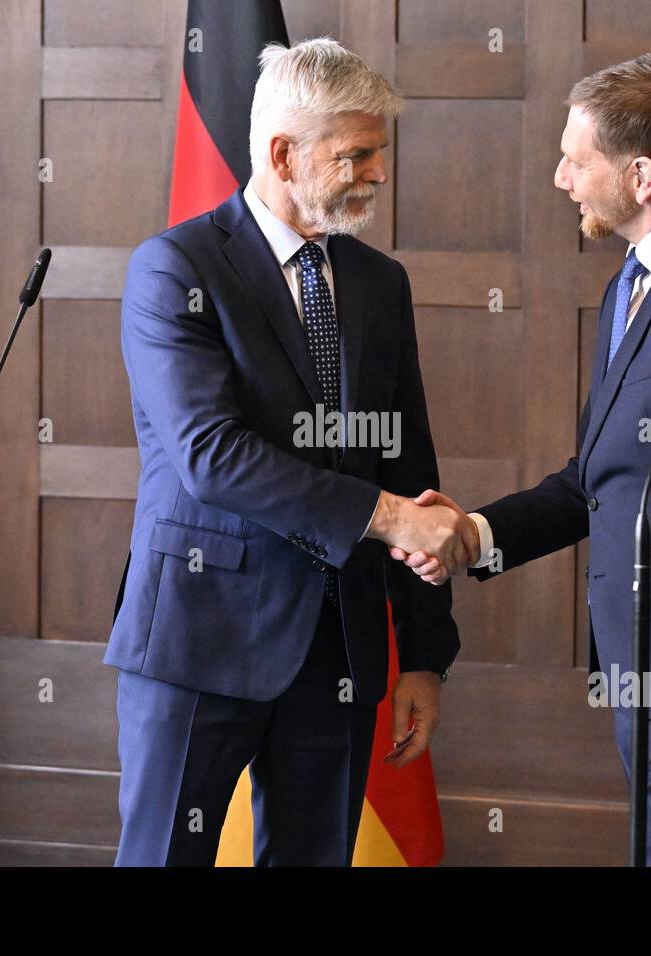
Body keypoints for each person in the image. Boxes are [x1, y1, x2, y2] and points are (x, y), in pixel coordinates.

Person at [391, 53, 651, 866]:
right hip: (644, 666)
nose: (560, 178)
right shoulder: (635, 283)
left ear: (642, 175)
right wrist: (473, 534)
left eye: (576, 159)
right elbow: (596, 481)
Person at [105, 38, 472, 866]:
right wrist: (382, 519)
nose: (378, 173)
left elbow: (408, 470)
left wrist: (424, 656)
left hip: (337, 652)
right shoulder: (174, 268)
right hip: (199, 640)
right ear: (282, 154)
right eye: (358, 155)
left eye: (381, 152)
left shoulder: (381, 283)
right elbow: (211, 454)